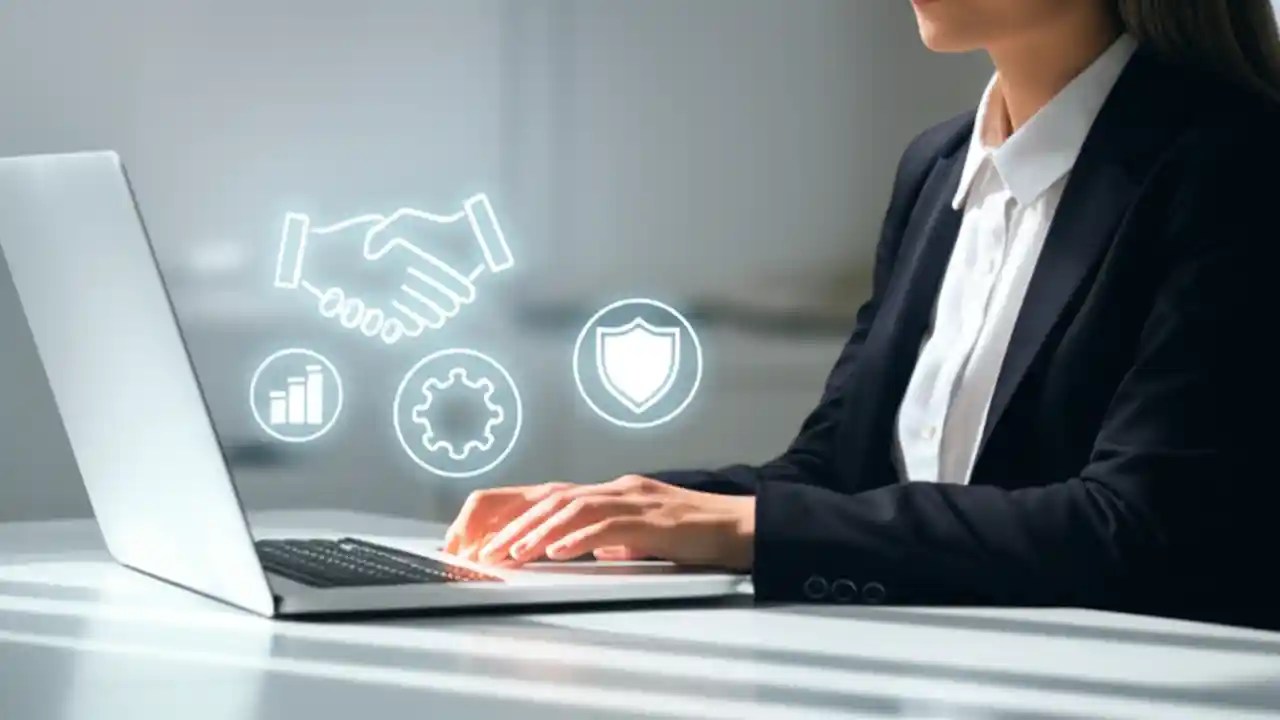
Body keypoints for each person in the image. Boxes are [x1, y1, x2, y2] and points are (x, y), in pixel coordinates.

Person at [444, 0, 1280, 627]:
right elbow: (840, 474)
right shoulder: (938, 166)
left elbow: (1135, 528)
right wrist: (621, 510)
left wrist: (751, 526)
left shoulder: (1235, 167)